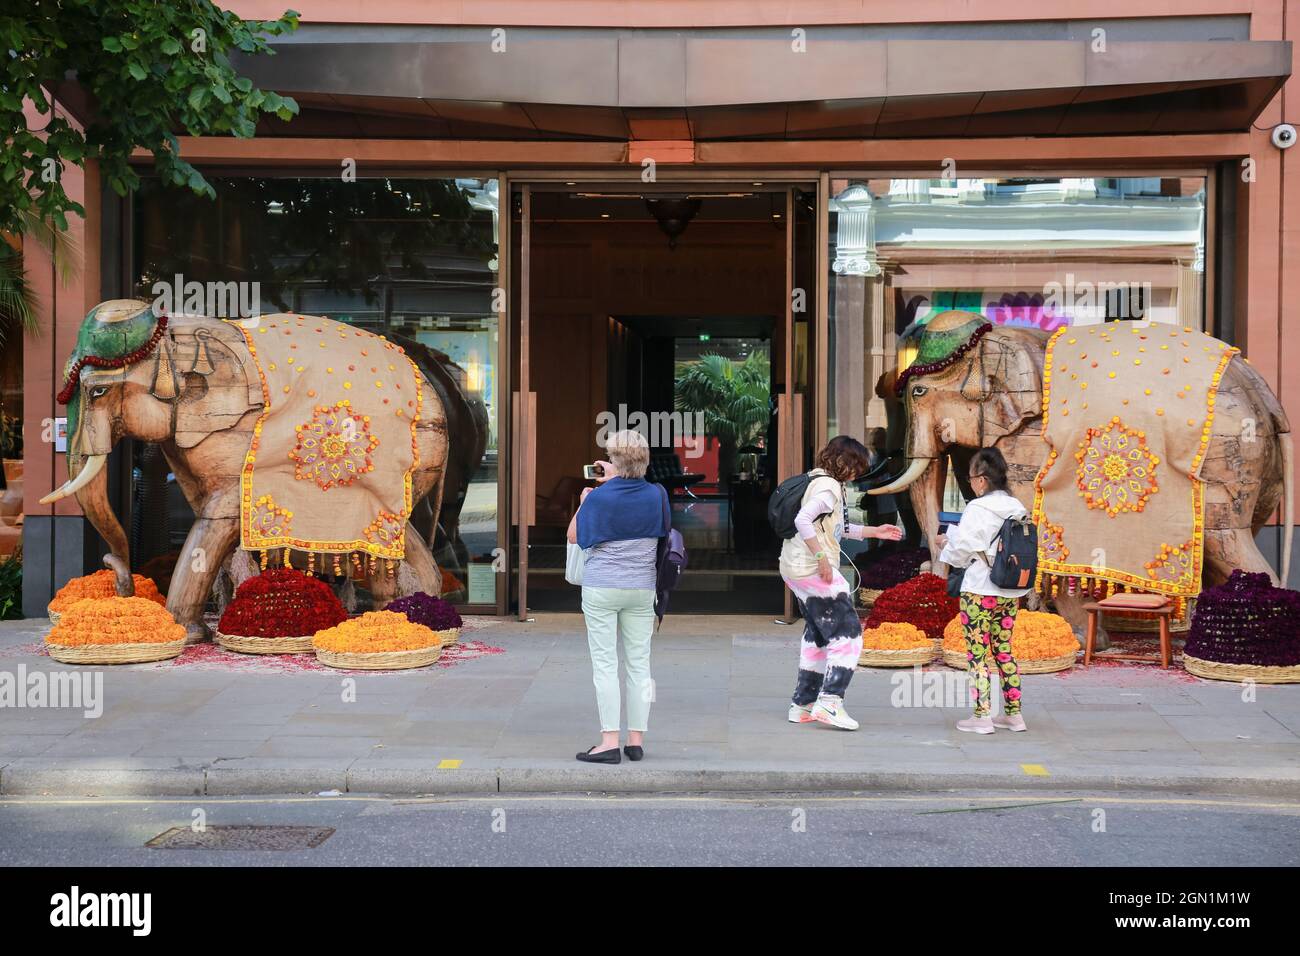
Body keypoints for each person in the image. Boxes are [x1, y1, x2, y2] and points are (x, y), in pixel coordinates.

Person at [782, 435, 904, 730]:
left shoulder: (817, 479)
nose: (856, 475)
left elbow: (835, 526)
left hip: (794, 567)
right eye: (856, 468)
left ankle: (803, 704)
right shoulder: (829, 487)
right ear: (845, 463)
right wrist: (823, 558)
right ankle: (830, 702)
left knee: (817, 636)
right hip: (813, 569)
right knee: (849, 635)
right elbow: (803, 520)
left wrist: (876, 531)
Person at [566, 429, 669, 764]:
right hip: (642, 589)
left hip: (602, 588)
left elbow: (574, 537)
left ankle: (609, 742)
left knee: (605, 664)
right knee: (640, 664)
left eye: (610, 458)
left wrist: (585, 502)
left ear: (614, 462)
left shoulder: (598, 497)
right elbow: (663, 532)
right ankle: (636, 740)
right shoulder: (657, 494)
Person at [935, 447, 1030, 735]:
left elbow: (963, 550)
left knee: (977, 655)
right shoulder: (1017, 506)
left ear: (982, 480)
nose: (971, 482)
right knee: (1004, 651)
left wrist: (945, 546)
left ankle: (982, 716)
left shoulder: (977, 508)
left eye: (972, 477)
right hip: (1010, 591)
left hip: (979, 589)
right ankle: (1014, 715)